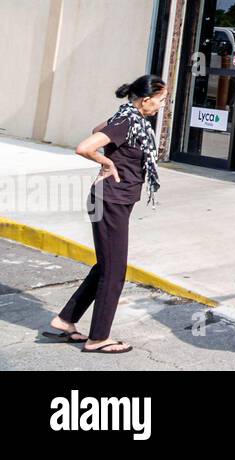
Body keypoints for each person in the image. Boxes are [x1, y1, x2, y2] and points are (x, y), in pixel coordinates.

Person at [46, 75, 167, 354]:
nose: (162, 105)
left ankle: (65, 320)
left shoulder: (125, 117)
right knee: (114, 272)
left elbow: (97, 129)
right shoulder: (128, 121)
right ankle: (98, 338)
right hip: (110, 202)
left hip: (112, 201)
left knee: (105, 266)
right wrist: (106, 160)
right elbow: (84, 146)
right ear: (145, 99)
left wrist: (107, 155)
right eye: (160, 100)